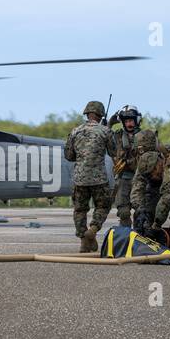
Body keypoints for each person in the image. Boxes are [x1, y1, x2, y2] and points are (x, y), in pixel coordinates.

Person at [64, 100, 117, 251]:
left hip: (79, 179)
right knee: (103, 205)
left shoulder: (75, 131)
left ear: (87, 113)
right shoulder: (105, 131)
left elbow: (69, 155)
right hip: (99, 178)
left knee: (80, 209)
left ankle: (83, 240)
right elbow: (114, 152)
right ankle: (92, 231)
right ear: (101, 115)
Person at [130, 128, 170, 234]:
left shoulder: (169, 153)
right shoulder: (144, 162)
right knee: (146, 211)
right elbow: (137, 188)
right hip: (155, 189)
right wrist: (140, 210)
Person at [108, 105, 142, 227]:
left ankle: (141, 236)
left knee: (141, 212)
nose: (129, 124)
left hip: (140, 179)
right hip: (123, 179)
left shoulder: (145, 136)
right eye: (126, 121)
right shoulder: (117, 136)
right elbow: (102, 138)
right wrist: (109, 125)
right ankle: (126, 238)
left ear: (136, 120)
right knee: (123, 212)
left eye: (131, 120)